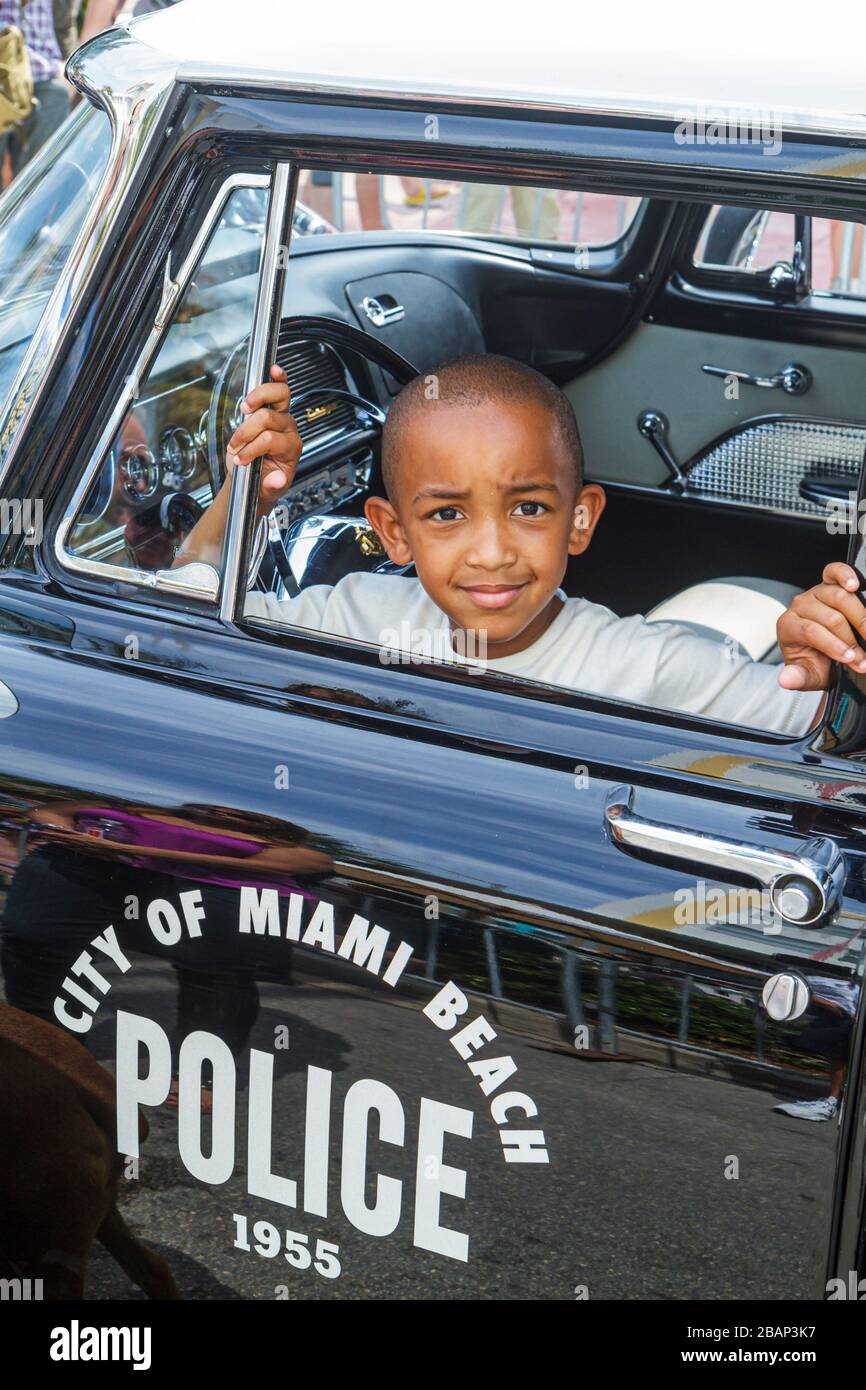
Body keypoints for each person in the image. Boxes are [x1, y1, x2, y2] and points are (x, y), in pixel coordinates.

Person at [174, 354, 866, 735]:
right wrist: (246, 495)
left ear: (581, 519)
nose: (492, 551)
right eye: (447, 515)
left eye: (529, 507)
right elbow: (185, 609)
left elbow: (826, 731)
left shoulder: (657, 669)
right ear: (392, 532)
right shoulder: (354, 615)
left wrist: (838, 671)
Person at [0, 0, 74, 177]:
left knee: (38, 176)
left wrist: (69, 69)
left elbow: (65, 22)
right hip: (4, 74)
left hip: (47, 74)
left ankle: (24, 202)